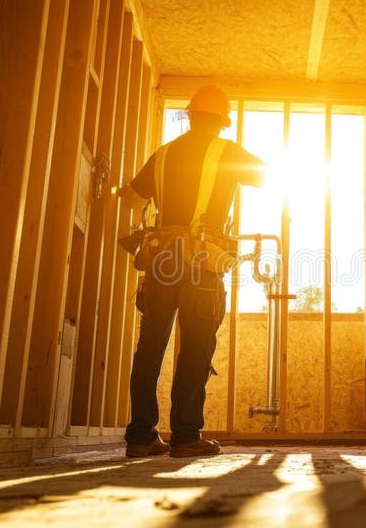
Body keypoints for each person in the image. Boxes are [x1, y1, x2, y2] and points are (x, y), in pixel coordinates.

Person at [118, 85, 263, 458]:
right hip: (201, 263)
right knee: (196, 348)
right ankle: (185, 436)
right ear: (222, 121)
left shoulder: (163, 154)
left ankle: (140, 436)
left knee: (150, 347)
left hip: (162, 262)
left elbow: (132, 197)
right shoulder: (226, 150)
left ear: (191, 115)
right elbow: (262, 177)